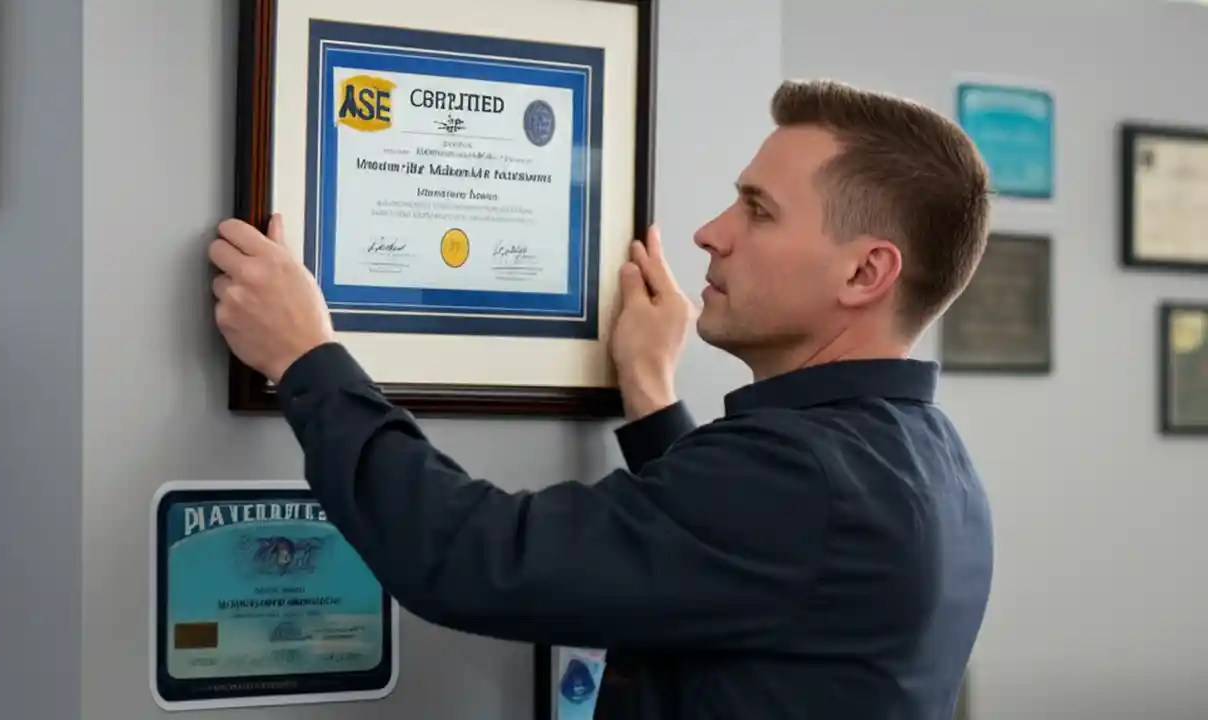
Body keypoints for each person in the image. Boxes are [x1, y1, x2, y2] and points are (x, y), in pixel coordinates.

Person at [207, 78, 994, 719]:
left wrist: (307, 356)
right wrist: (652, 399)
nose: (712, 232)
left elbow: (474, 557)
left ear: (866, 273)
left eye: (759, 210)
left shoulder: (801, 479)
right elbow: (731, 567)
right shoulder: (929, 457)